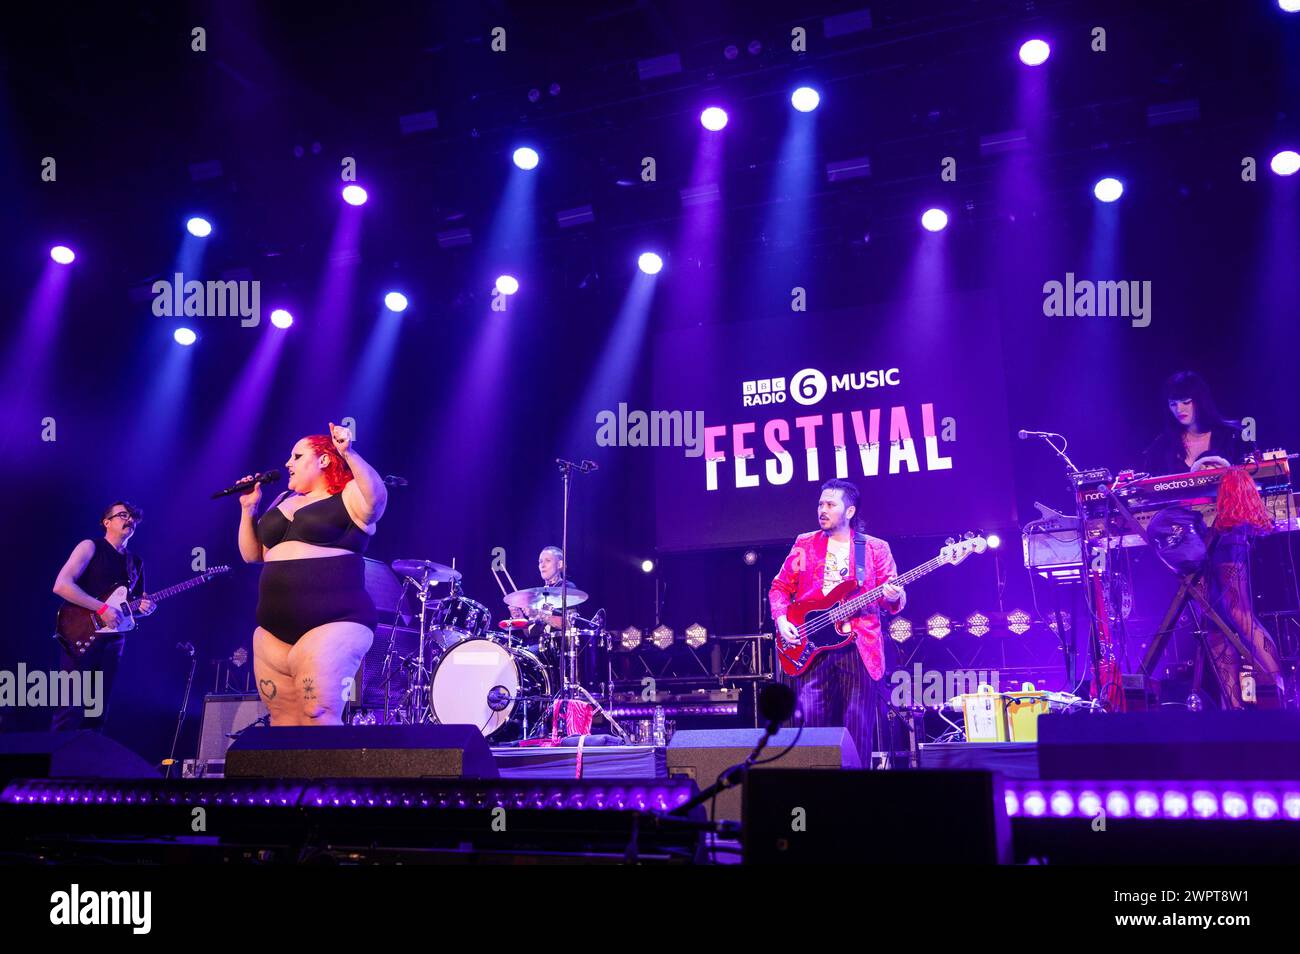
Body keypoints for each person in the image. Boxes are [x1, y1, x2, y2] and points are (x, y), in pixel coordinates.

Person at [1141, 371, 1283, 707]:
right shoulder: (1163, 447)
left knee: (1238, 611)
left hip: (1228, 529)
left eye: (1186, 402)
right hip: (1187, 539)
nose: (1180, 410)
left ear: (1199, 400)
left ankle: (1281, 693)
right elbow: (1154, 493)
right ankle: (1232, 708)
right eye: (1174, 404)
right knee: (1212, 621)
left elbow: (1250, 481)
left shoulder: (1229, 435)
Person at [237, 424, 387, 725]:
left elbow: (376, 499)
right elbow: (252, 555)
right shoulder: (280, 501)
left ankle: (332, 775)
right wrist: (248, 509)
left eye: (296, 456)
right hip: (274, 631)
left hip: (335, 621)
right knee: (283, 720)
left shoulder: (349, 496)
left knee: (317, 713)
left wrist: (349, 452)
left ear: (323, 460)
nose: (287, 464)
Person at [769, 479, 905, 764]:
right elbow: (780, 587)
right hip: (813, 649)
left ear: (850, 511)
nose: (823, 509)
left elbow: (890, 601)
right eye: (821, 504)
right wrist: (782, 620)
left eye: (831, 504)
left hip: (858, 647)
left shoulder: (875, 549)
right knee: (812, 733)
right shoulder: (805, 544)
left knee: (856, 732)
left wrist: (893, 595)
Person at [51, 501, 155, 730]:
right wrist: (102, 608)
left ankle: (89, 764)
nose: (129, 519)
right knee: (70, 708)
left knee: (97, 712)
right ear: (106, 522)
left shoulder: (135, 562)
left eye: (132, 517)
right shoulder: (90, 547)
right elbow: (61, 585)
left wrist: (145, 608)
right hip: (80, 633)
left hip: (113, 640)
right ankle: (58, 764)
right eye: (122, 515)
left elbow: (132, 606)